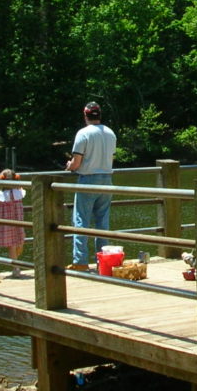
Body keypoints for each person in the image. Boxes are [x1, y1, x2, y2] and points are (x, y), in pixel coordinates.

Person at [64, 101, 117, 271]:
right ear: (99, 115)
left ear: (85, 115)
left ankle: (80, 261)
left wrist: (69, 165)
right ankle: (104, 261)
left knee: (81, 221)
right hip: (107, 180)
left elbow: (76, 163)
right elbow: (111, 159)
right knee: (103, 222)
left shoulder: (83, 134)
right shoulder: (110, 133)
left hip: (87, 180)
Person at [0, 168, 26, 277]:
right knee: (19, 240)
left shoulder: (0, 195)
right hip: (18, 220)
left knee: (11, 245)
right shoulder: (19, 193)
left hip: (6, 222)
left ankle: (16, 268)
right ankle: (17, 265)